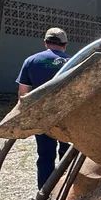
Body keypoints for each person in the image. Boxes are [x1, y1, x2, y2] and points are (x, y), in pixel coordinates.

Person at [17, 27, 70, 189]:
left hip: (42, 116)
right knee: (67, 156)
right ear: (65, 44)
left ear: (45, 43)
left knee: (45, 155)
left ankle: (44, 196)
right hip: (68, 116)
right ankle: (65, 193)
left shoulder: (31, 61)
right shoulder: (74, 61)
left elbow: (23, 94)